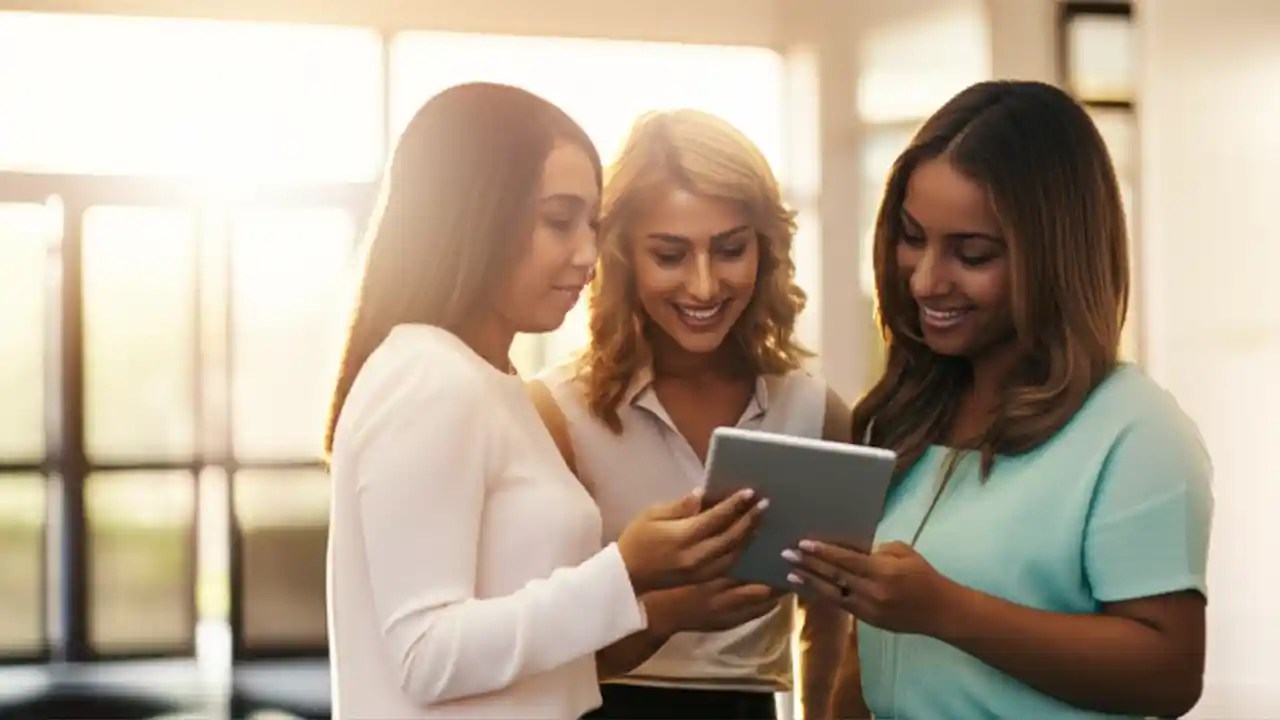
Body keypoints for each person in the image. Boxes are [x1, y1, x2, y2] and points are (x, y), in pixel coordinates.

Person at [323, 83, 768, 720]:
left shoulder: (492, 382)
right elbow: (426, 655)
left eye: (593, 225)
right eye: (560, 221)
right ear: (474, 213)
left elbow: (512, 664)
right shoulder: (430, 377)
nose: (587, 255)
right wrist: (625, 570)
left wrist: (662, 609)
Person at [782, 80, 1214, 719]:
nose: (928, 279)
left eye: (972, 253)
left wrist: (944, 610)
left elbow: (1170, 674)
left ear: (1056, 254)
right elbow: (864, 658)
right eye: (911, 236)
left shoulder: (1137, 431)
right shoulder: (904, 415)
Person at [532, 109, 850, 720]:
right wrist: (668, 614)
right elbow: (538, 646)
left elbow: (828, 626)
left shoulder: (812, 411)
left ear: (766, 249)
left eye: (729, 249)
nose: (704, 287)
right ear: (620, 254)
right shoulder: (558, 413)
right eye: (670, 255)